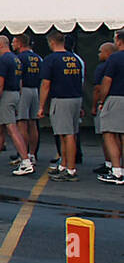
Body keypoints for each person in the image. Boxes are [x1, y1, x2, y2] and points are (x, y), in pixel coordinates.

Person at [0, 35, 35, 175]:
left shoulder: (2, 60)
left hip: (6, 94)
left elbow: (0, 82)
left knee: (12, 128)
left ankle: (25, 161)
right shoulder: (16, 59)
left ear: (0, 45)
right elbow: (20, 81)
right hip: (15, 93)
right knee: (0, 128)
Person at [40, 31, 85, 181]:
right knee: (65, 134)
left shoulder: (51, 59)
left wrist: (41, 106)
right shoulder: (75, 59)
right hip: (75, 98)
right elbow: (80, 82)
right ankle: (64, 165)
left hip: (61, 99)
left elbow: (46, 84)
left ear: (52, 42)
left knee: (67, 134)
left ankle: (70, 169)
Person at [94, 30, 124, 185]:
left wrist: (101, 101)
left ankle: (117, 171)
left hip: (116, 98)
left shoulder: (115, 58)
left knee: (109, 134)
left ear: (118, 41)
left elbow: (107, 81)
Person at [12, 34, 43, 162]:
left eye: (14, 42)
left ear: (20, 43)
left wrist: (17, 94)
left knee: (22, 122)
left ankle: (23, 154)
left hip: (23, 90)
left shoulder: (19, 58)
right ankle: (32, 154)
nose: (12, 44)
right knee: (33, 122)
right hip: (35, 90)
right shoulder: (38, 58)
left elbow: (18, 77)